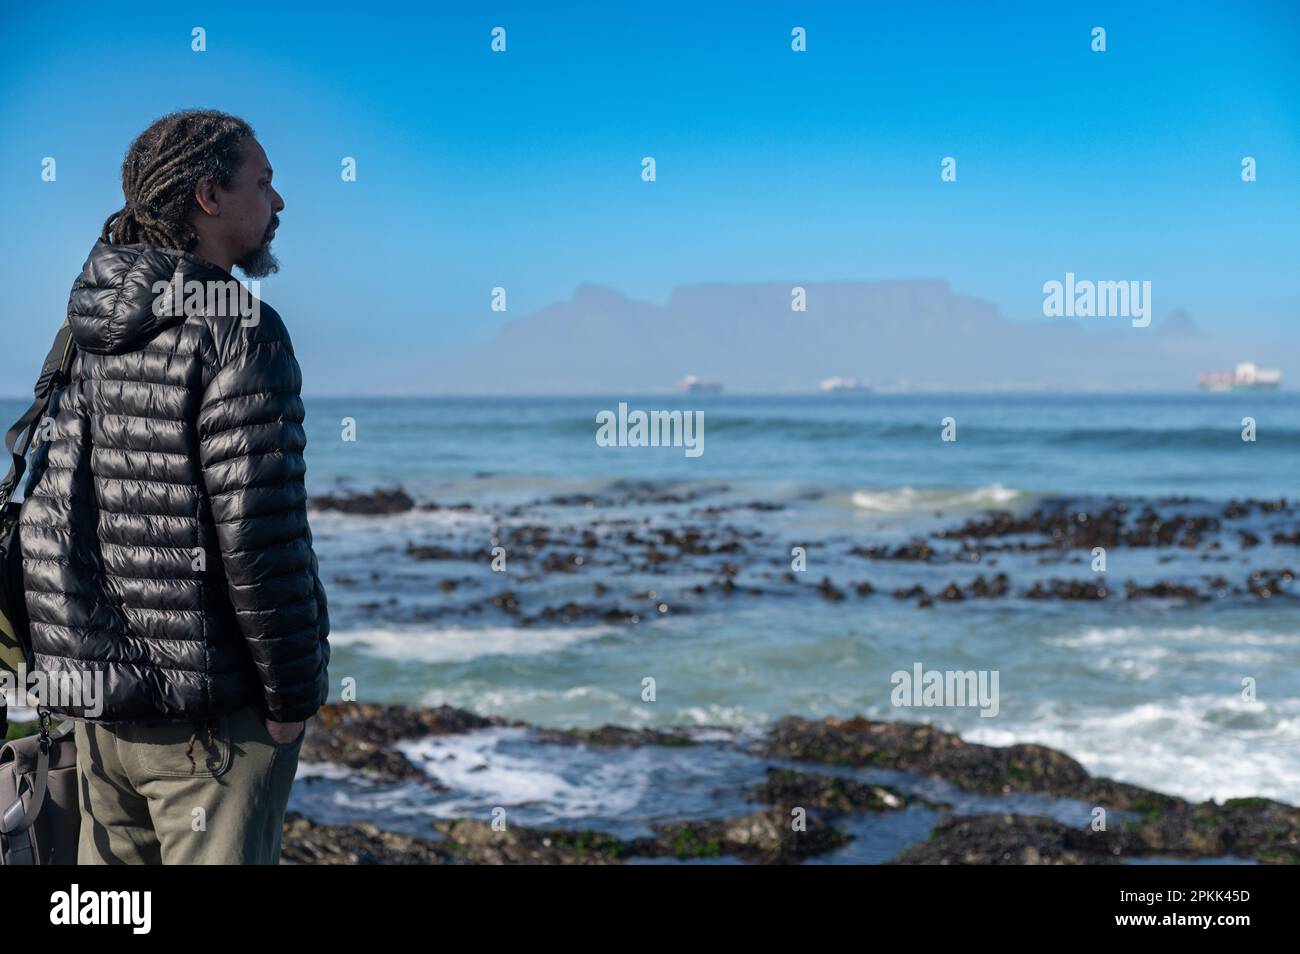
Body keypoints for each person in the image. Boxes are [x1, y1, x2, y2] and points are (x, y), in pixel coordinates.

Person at [18, 109, 330, 864]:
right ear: (207, 197)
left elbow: (52, 513)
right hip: (210, 727)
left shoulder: (86, 324)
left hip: (100, 718)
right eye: (264, 183)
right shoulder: (240, 330)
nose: (279, 203)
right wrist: (290, 702)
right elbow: (258, 534)